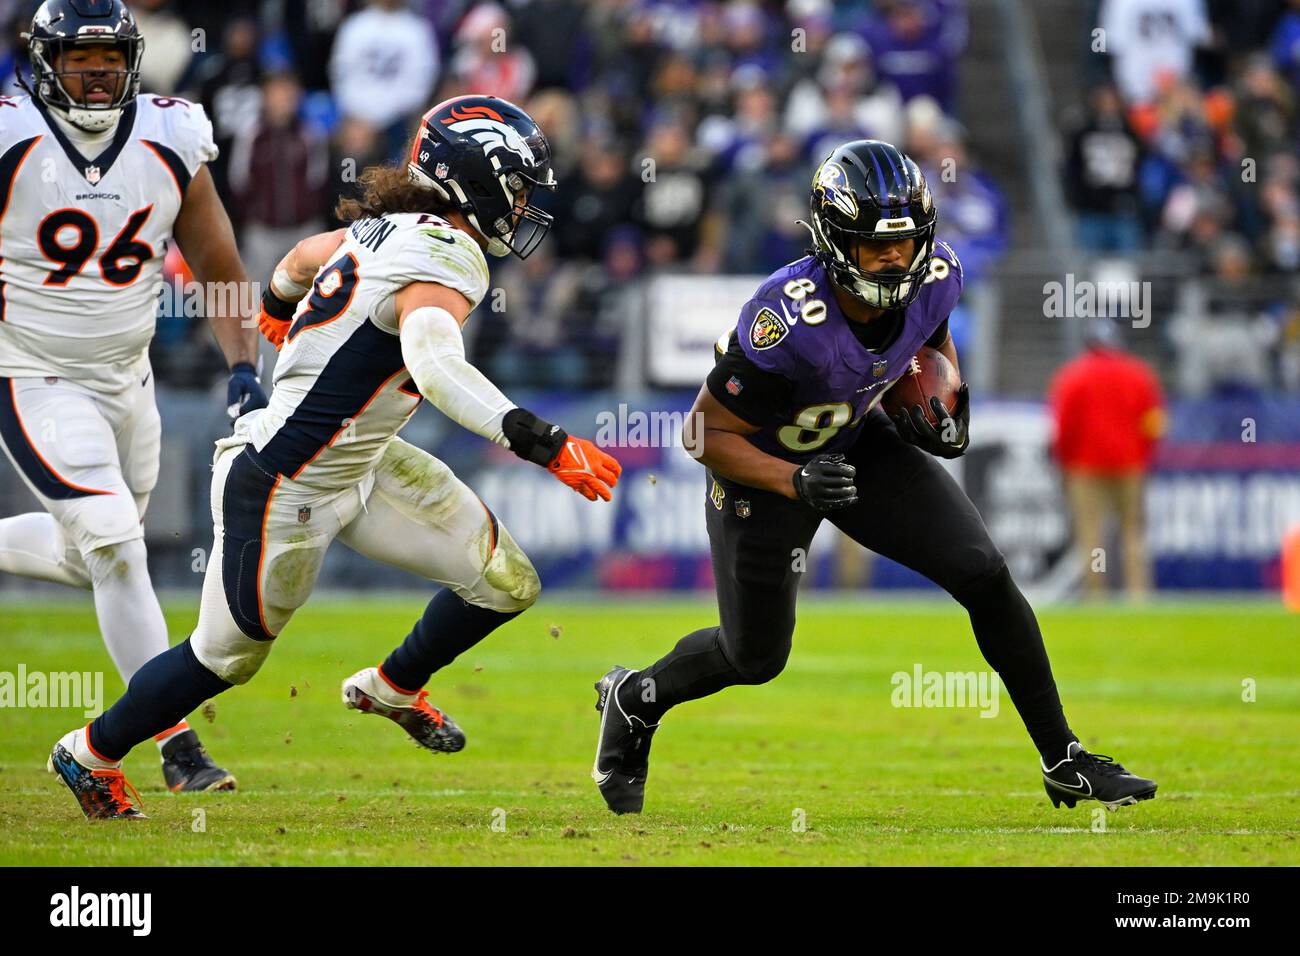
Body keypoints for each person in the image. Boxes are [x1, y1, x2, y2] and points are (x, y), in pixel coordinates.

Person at [48, 94, 622, 820]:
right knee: (227, 658)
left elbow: (296, 261)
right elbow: (435, 364)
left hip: (363, 461)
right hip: (284, 481)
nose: (524, 203)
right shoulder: (448, 253)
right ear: (474, 177)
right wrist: (540, 439)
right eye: (517, 185)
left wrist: (280, 313)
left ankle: (393, 685)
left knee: (504, 581)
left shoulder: (385, 228)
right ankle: (89, 750)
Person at [590, 140, 1157, 815]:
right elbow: (702, 433)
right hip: (764, 474)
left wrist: (936, 398)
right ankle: (635, 698)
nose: (894, 259)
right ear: (834, 242)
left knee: (984, 575)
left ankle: (1064, 757)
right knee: (755, 657)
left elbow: (928, 338)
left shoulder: (937, 274)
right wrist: (793, 481)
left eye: (905, 244)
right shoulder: (787, 320)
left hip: (858, 444)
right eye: (873, 246)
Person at [0, 0, 266, 793]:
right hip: (32, 370)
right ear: (45, 61)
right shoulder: (11, 134)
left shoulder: (171, 132)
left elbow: (217, 265)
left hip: (128, 376)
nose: (98, 74)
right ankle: (173, 746)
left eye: (110, 58)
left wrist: (243, 367)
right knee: (116, 542)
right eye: (80, 60)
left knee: (99, 558)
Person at [1049, 320, 1165, 599]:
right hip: (1130, 465)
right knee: (1132, 533)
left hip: (1085, 468)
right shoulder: (1139, 374)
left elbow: (1063, 426)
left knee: (1091, 537)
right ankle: (1139, 597)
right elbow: (1154, 422)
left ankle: (1096, 598)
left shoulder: (1072, 376)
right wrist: (1144, 455)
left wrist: (1065, 463)